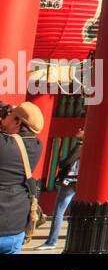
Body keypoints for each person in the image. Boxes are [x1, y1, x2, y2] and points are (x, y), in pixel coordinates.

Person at [0, 102, 44, 254]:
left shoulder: (4, 144)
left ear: (17, 122)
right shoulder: (37, 145)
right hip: (16, 227)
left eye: (9, 116)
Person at [36, 125, 82, 251]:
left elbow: (65, 162)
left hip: (70, 181)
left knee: (58, 212)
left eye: (81, 129)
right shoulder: (93, 145)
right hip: (81, 181)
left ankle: (51, 241)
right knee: (76, 213)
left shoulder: (81, 145)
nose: (78, 130)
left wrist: (61, 163)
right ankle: (76, 239)